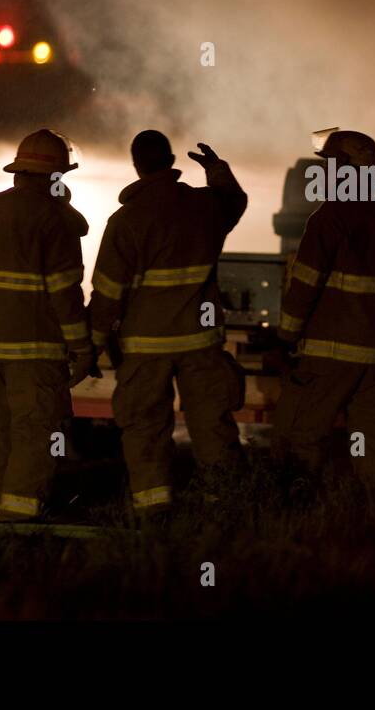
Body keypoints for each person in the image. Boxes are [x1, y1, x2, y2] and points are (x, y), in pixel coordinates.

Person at [89, 131, 247, 516]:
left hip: (145, 348)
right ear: (173, 159)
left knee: (144, 427)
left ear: (137, 166)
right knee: (212, 425)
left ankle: (153, 510)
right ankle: (225, 508)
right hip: (200, 342)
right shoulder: (204, 207)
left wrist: (89, 347)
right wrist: (216, 170)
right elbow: (234, 202)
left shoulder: (125, 222)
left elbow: (107, 293)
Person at [0, 129, 95, 522]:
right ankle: (19, 524)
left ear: (17, 172)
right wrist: (80, 348)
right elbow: (65, 293)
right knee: (33, 434)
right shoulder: (54, 222)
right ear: (57, 177)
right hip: (36, 353)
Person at [273, 130, 375, 490]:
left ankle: (295, 517)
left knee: (300, 437)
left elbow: (305, 286)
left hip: (328, 358)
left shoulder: (329, 220)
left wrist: (284, 339)